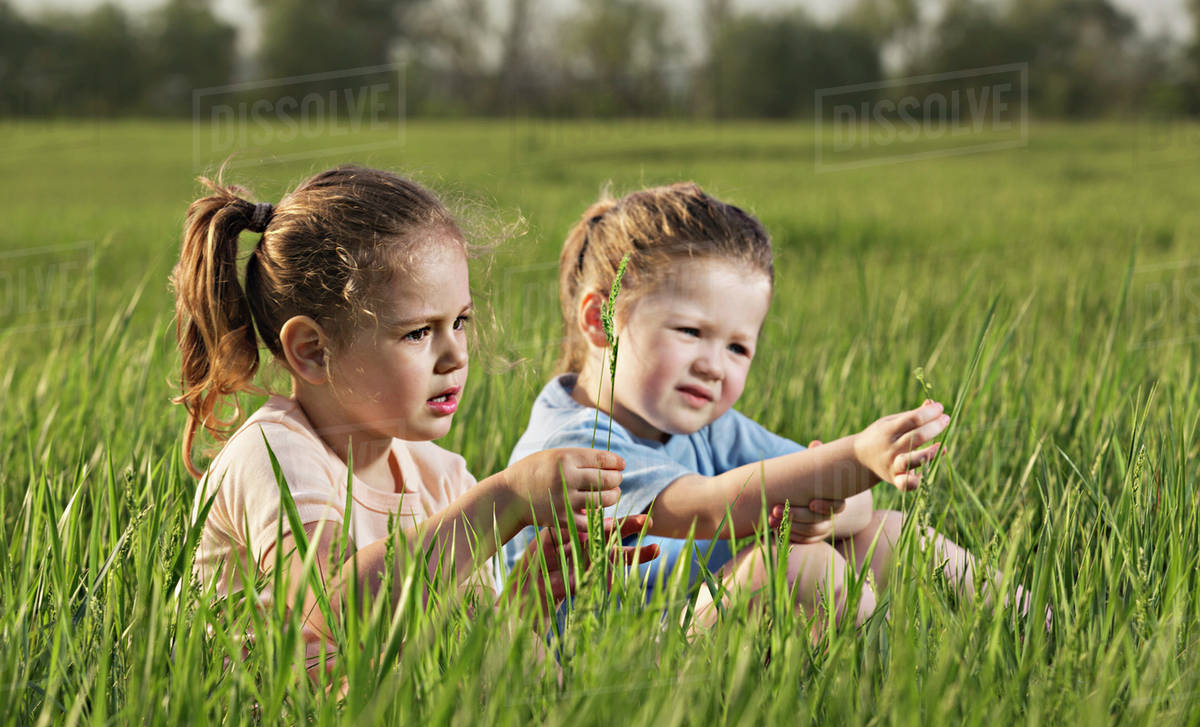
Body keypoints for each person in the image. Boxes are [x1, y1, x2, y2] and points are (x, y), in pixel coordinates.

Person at [172, 165, 657, 673]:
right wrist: (506, 500)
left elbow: (450, 647)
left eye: (460, 322)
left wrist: (523, 603)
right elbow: (329, 607)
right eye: (418, 333)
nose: (455, 356)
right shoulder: (274, 452)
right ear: (314, 352)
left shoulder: (440, 477)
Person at [496, 182, 1032, 636]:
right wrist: (856, 458)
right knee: (797, 564)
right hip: (607, 672)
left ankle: (1037, 632)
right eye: (690, 332)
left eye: (737, 347)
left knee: (884, 532)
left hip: (682, 629)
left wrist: (819, 512)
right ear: (601, 320)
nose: (714, 365)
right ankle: (876, 704)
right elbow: (710, 506)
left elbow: (846, 502)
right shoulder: (572, 448)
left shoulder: (706, 427)